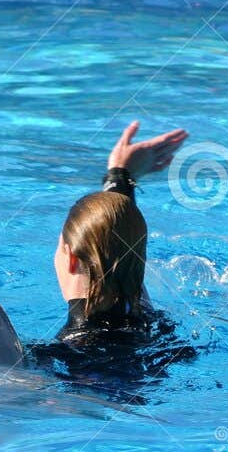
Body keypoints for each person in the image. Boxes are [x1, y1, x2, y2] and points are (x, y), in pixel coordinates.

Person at [33, 121, 196, 385]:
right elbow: (118, 242)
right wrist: (119, 176)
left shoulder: (54, 358)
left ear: (70, 257)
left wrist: (119, 173)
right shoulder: (148, 321)